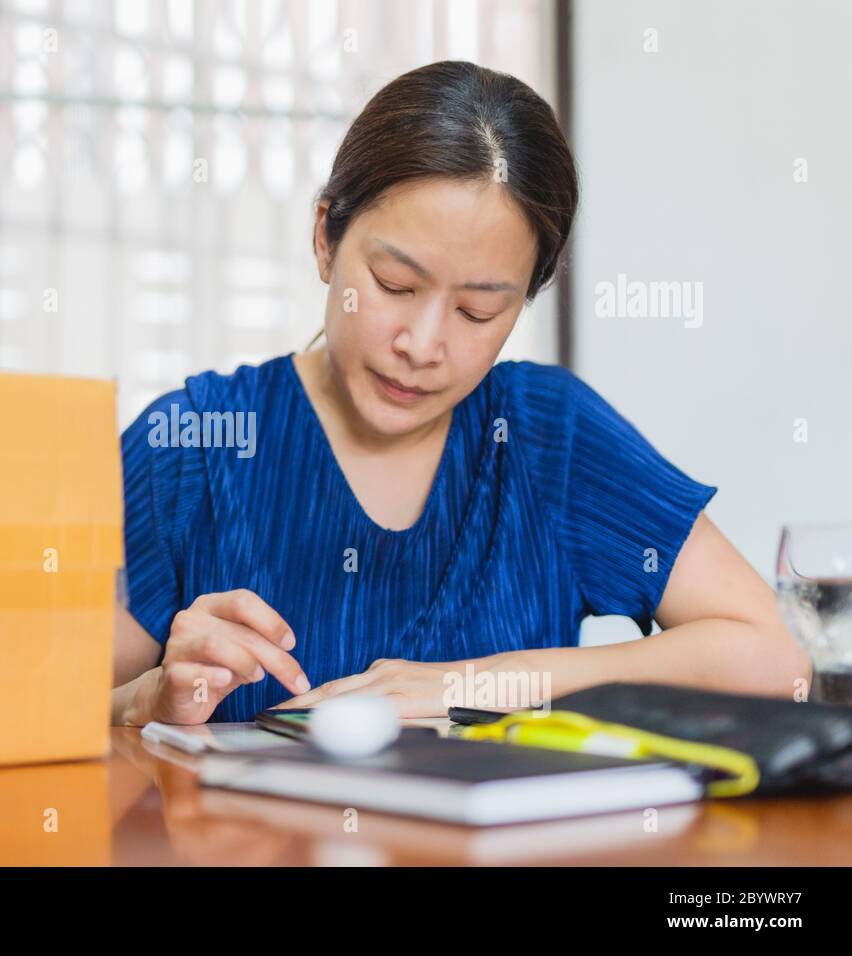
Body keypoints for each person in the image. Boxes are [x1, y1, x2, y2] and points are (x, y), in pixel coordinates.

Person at [109, 60, 809, 726]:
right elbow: (19, 706)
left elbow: (775, 658)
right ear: (325, 237)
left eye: (478, 312)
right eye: (394, 285)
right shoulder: (196, 445)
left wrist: (474, 684)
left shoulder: (546, 435)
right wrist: (144, 701)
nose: (422, 344)